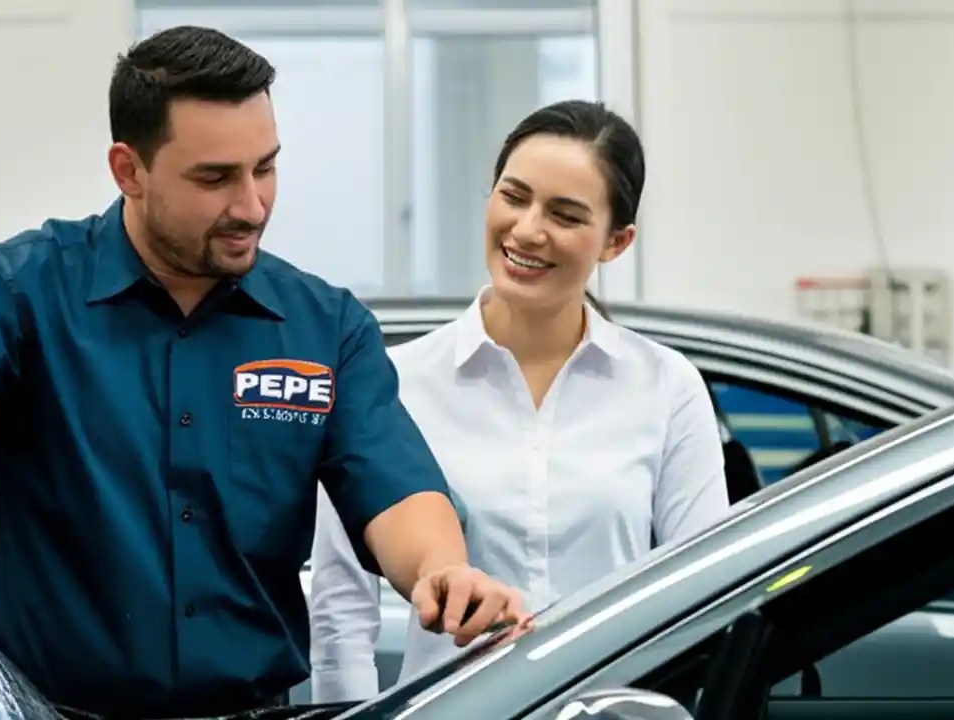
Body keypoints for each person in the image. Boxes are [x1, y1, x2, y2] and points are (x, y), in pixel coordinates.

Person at [0, 25, 525, 720]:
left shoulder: (324, 328)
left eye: (266, 168)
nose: (252, 206)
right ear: (128, 170)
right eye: (215, 178)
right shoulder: (21, 292)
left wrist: (441, 570)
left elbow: (395, 487)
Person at [307, 100, 731, 702]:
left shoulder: (666, 387)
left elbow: (705, 594)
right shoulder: (394, 381)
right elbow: (341, 609)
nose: (528, 229)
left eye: (565, 214)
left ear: (616, 242)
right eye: (514, 196)